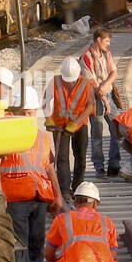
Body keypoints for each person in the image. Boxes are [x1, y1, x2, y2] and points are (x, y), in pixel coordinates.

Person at [0, 86, 63, 262]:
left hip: (38, 198)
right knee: (20, 243)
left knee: (36, 240)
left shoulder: (42, 137)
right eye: (25, 113)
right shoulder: (6, 134)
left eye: (32, 112)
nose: (29, 117)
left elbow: (48, 168)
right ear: (14, 113)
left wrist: (57, 195)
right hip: (15, 199)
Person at [43, 181, 118, 262]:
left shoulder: (63, 219)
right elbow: (114, 258)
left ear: (75, 202)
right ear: (95, 203)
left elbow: (48, 253)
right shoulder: (107, 222)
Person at [43, 57, 94, 199]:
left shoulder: (86, 84)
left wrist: (76, 123)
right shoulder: (55, 82)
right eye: (67, 80)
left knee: (81, 157)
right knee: (62, 159)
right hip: (59, 126)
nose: (69, 82)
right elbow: (45, 101)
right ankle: (64, 190)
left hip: (80, 125)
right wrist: (48, 119)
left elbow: (90, 106)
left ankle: (78, 188)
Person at [81, 26, 121, 178]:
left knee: (116, 128)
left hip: (107, 93)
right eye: (106, 41)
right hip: (94, 99)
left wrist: (105, 85)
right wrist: (105, 100)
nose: (108, 44)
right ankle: (99, 167)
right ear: (98, 40)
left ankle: (114, 164)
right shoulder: (86, 57)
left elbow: (114, 72)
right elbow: (92, 83)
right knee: (96, 132)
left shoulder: (106, 54)